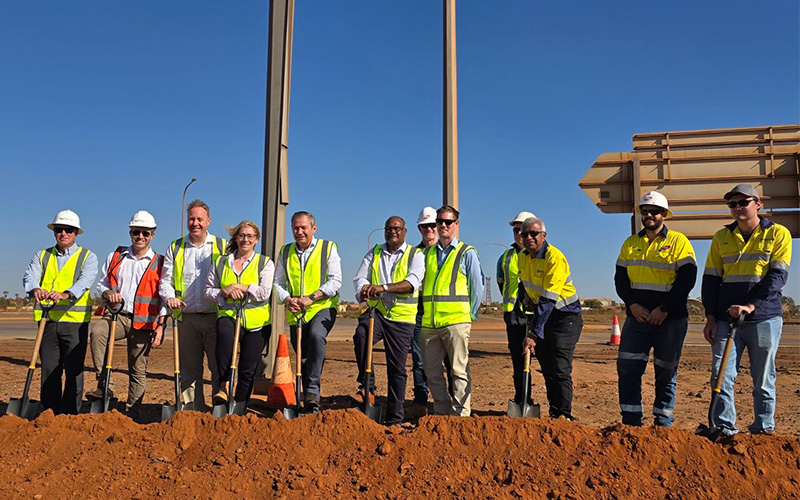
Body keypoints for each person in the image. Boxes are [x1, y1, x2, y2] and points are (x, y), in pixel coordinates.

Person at [702, 183, 792, 435]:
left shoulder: (778, 234)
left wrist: (751, 306)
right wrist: (710, 317)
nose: (738, 207)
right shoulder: (721, 237)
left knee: (763, 377)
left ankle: (762, 428)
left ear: (758, 204)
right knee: (721, 376)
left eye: (744, 202)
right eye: (733, 204)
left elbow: (777, 276)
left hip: (764, 318)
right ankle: (723, 427)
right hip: (725, 320)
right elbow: (710, 280)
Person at [614, 192, 697, 427]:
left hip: (670, 321)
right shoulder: (631, 243)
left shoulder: (679, 242)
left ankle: (663, 422)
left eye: (654, 211)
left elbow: (687, 279)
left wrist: (664, 308)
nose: (649, 215)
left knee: (666, 372)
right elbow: (620, 280)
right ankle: (630, 421)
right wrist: (633, 305)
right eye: (645, 211)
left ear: (664, 215)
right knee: (628, 369)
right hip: (637, 320)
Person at [88, 211, 166, 418]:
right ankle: (106, 385)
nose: (140, 236)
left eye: (145, 233)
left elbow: (164, 297)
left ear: (152, 235)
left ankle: (133, 412)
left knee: (137, 369)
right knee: (98, 333)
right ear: (130, 232)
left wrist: (161, 325)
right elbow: (103, 283)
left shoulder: (160, 262)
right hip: (118, 316)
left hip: (144, 322)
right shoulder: (116, 257)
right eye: (136, 232)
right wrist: (108, 293)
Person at [23, 210, 97, 415]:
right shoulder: (42, 255)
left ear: (76, 233)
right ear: (54, 232)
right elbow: (30, 276)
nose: (63, 233)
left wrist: (66, 294)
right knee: (49, 369)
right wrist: (35, 289)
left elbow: (85, 280)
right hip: (48, 322)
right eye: (59, 229)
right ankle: (50, 412)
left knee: (74, 371)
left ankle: (70, 413)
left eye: (69, 230)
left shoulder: (87, 257)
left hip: (74, 323)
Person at [352, 216, 425, 424]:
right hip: (377, 314)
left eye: (396, 228)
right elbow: (360, 277)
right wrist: (364, 289)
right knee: (361, 336)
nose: (392, 231)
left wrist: (383, 287)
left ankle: (395, 417)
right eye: (388, 228)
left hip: (401, 320)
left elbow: (412, 283)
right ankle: (368, 387)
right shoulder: (374, 252)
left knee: (397, 369)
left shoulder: (415, 254)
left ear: (404, 232)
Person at [158, 199, 227, 411]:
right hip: (185, 318)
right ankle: (192, 410)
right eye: (191, 218)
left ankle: (218, 410)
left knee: (218, 367)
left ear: (208, 221)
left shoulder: (222, 246)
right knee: (188, 370)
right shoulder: (176, 247)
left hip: (215, 317)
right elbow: (165, 281)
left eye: (199, 219)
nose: (195, 223)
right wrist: (169, 297)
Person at [273, 211, 342, 412]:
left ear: (314, 228)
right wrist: (287, 299)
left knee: (316, 336)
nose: (299, 231)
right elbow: (278, 282)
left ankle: (312, 391)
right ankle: (309, 400)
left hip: (322, 306)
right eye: (295, 227)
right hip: (296, 311)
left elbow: (335, 281)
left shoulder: (327, 248)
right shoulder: (285, 252)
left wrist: (311, 298)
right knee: (302, 353)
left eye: (303, 227)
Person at [419, 205, 484, 416]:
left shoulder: (467, 253)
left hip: (456, 321)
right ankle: (442, 412)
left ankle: (460, 415)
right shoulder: (427, 253)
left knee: (458, 370)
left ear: (456, 224)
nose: (443, 225)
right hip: (430, 323)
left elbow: (477, 287)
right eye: (440, 222)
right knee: (431, 372)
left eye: (448, 222)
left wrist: (469, 315)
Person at [519, 216, 583, 420]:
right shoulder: (522, 256)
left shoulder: (555, 258)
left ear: (543, 235)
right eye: (525, 234)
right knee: (547, 368)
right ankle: (555, 412)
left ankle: (564, 414)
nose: (529, 237)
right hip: (543, 316)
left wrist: (533, 334)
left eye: (534, 233)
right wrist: (527, 299)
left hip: (565, 319)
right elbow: (527, 285)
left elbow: (548, 300)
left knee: (560, 369)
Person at [205, 221, 275, 406]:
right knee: (224, 341)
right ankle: (224, 385)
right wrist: (223, 291)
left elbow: (264, 292)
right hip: (229, 315)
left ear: (256, 240)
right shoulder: (221, 262)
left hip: (257, 323)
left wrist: (239, 287)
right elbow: (207, 290)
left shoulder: (264, 263)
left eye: (250, 236)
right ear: (236, 237)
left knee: (247, 368)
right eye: (242, 235)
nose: (246, 239)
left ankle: (241, 404)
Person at [497, 211, 535, 406]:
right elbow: (501, 282)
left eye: (521, 229)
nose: (518, 233)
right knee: (518, 361)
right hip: (513, 315)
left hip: (537, 315)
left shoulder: (539, 253)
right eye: (515, 230)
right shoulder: (505, 257)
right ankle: (522, 398)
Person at [406, 206, 438, 418]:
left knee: (449, 361)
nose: (429, 230)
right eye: (425, 226)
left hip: (444, 313)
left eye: (432, 225)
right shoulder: (414, 254)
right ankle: (420, 402)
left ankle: (450, 403)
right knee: (419, 359)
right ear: (419, 228)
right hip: (419, 313)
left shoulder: (446, 251)